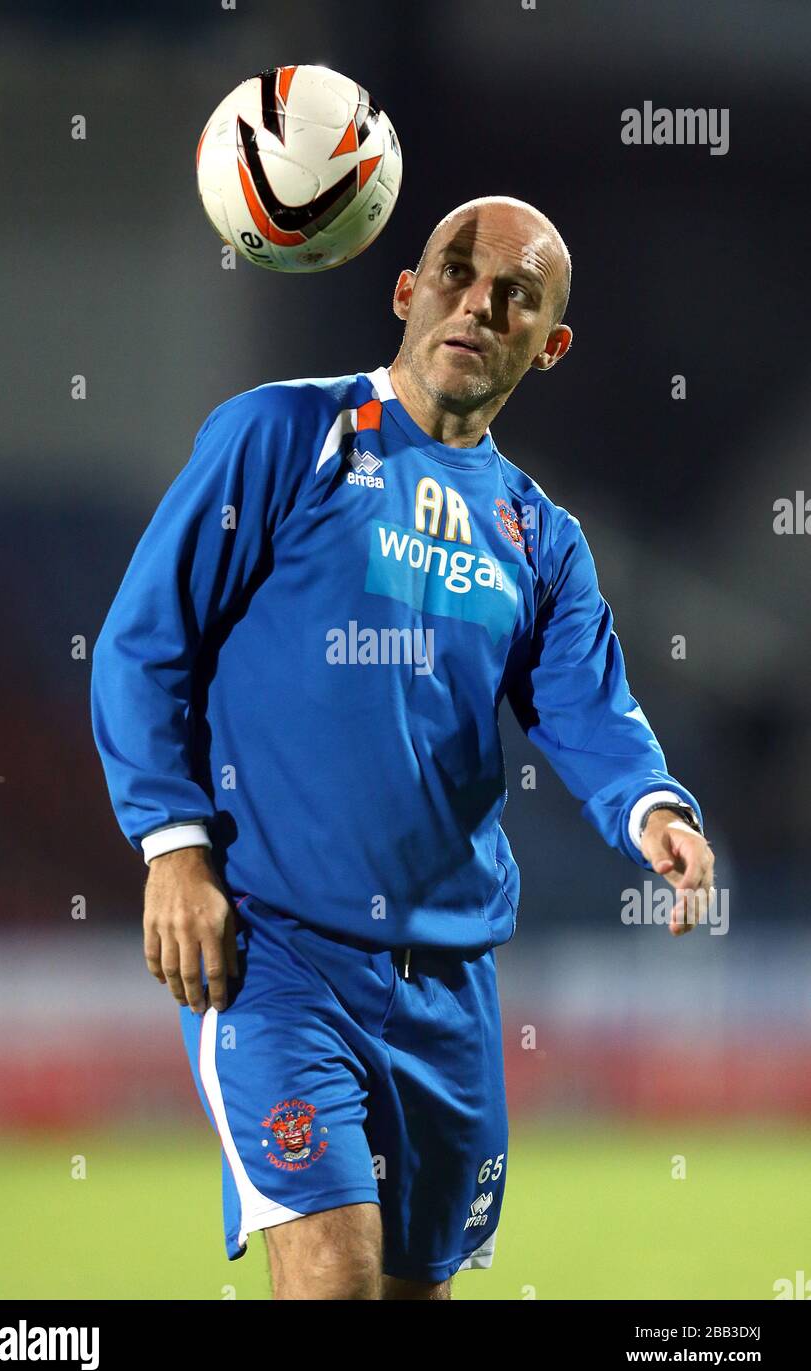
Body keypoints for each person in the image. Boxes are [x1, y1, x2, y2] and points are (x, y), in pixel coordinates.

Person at [91, 195, 715, 1301]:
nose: (477, 303)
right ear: (404, 290)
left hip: (448, 985)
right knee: (330, 1281)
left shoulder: (539, 536)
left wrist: (653, 812)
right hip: (278, 957)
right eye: (455, 274)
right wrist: (172, 849)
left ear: (548, 343)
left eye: (514, 295)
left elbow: (585, 707)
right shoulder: (282, 436)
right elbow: (142, 645)